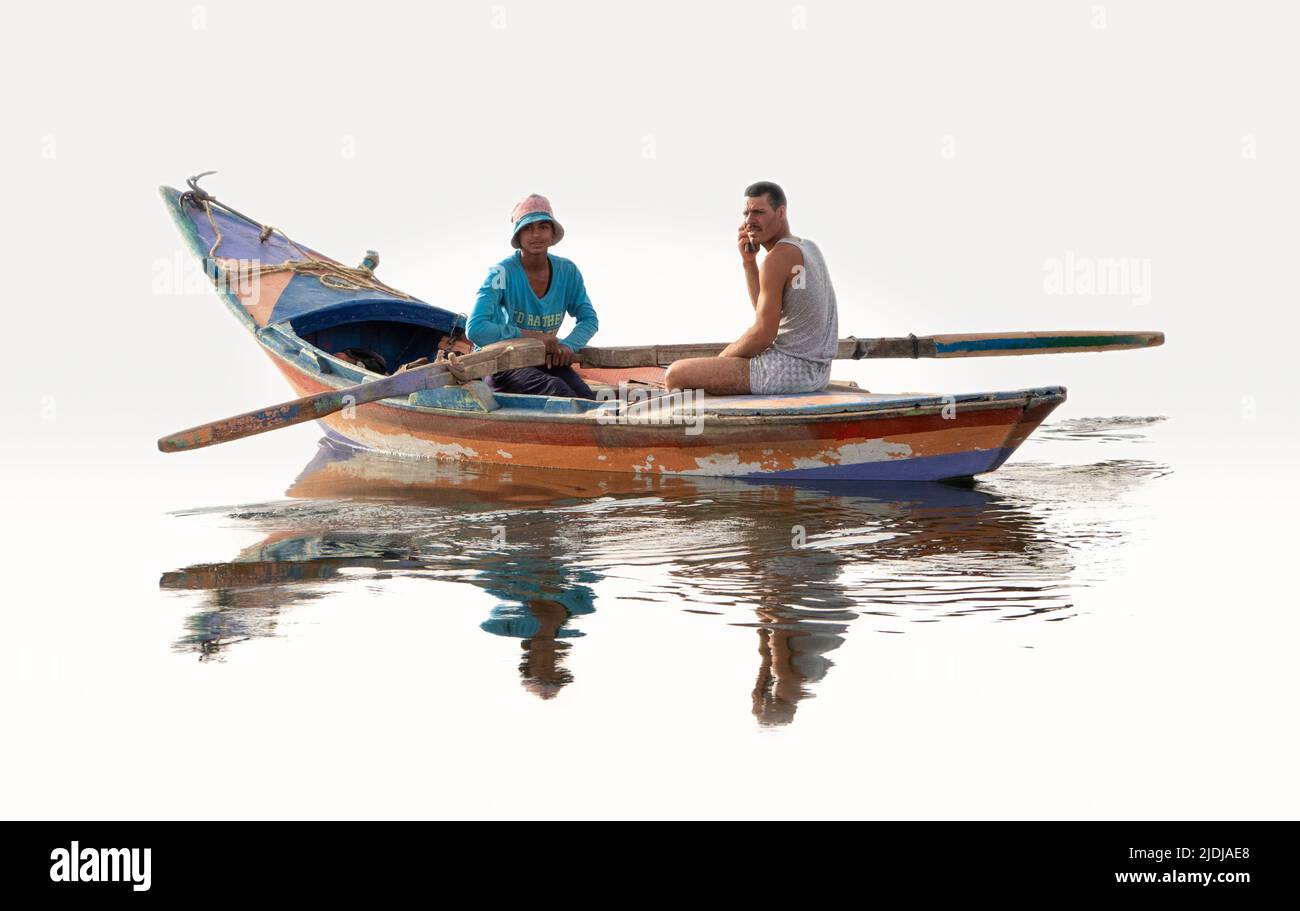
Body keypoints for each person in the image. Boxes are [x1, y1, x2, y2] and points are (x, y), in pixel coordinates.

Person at [664, 181, 839, 395]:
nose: (749, 221)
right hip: (817, 373)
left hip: (789, 371)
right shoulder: (808, 246)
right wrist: (749, 262)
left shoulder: (777, 258)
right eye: (746, 213)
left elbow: (763, 335)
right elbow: (764, 311)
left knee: (676, 373)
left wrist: (720, 363)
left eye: (758, 212)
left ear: (781, 212)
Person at [467, 194, 599, 398]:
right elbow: (475, 329)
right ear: (518, 236)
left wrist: (568, 346)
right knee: (557, 391)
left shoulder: (568, 271)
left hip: (543, 360)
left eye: (543, 227)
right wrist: (535, 337)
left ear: (552, 232)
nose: (536, 234)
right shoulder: (501, 273)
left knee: (586, 398)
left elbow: (589, 319)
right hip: (500, 363)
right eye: (527, 228)